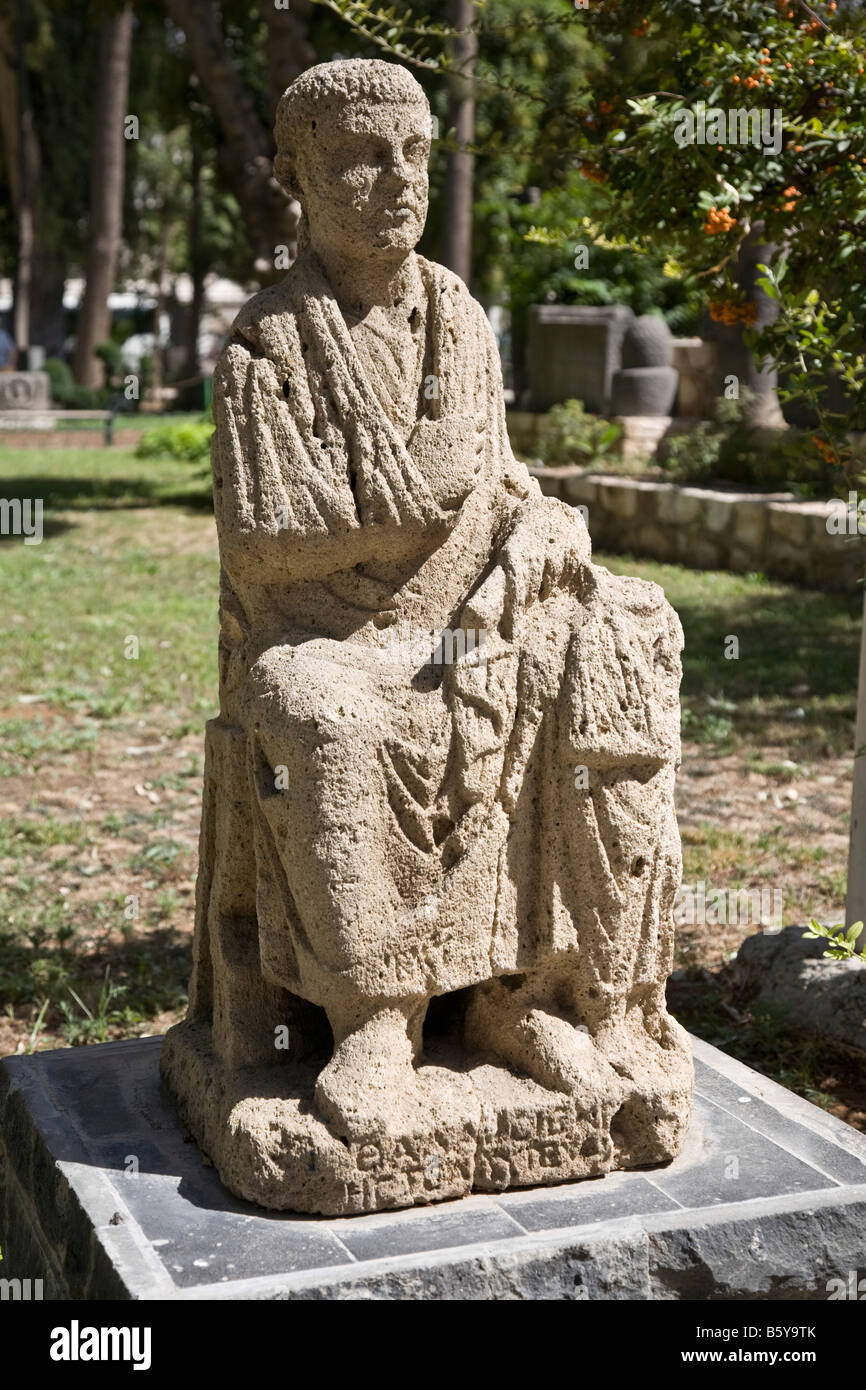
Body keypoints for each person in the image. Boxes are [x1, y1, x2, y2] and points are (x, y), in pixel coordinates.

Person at [203, 59, 690, 1159]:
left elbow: (501, 480)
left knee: (585, 651)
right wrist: (424, 512)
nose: (394, 179)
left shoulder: (459, 319)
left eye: (413, 154)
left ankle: (521, 995)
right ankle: (374, 1018)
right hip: (320, 635)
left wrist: (538, 522)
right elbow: (268, 539)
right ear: (298, 177)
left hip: (463, 619)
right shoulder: (266, 344)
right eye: (359, 159)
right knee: (328, 718)